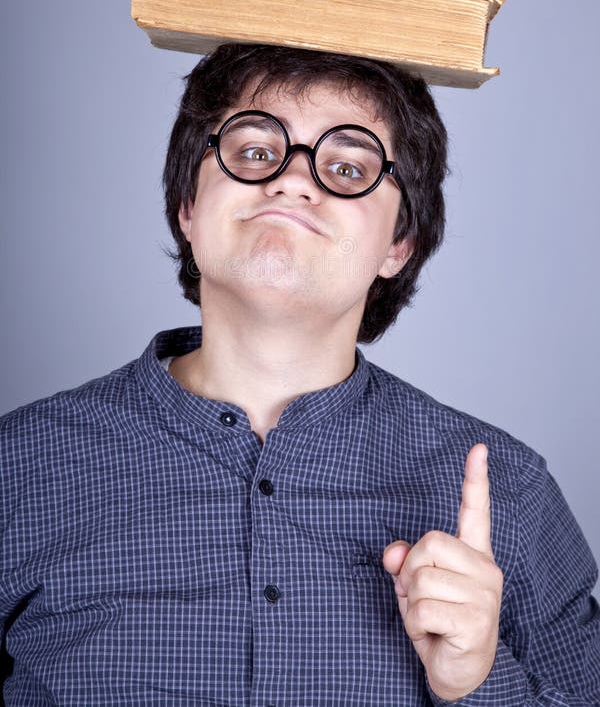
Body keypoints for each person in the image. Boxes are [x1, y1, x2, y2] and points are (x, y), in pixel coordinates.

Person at [1, 43, 599, 706]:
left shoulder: (508, 494)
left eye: (347, 168)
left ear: (397, 243)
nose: (291, 181)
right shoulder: (16, 469)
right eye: (255, 152)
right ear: (188, 208)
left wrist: (478, 684)